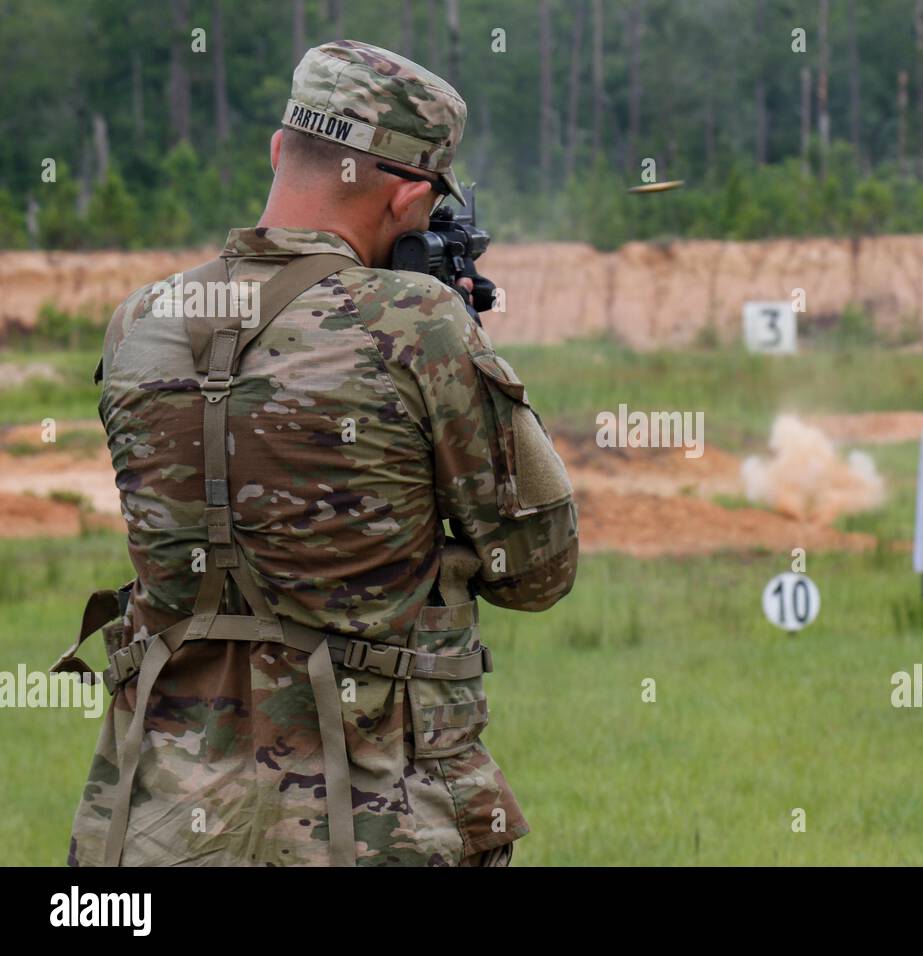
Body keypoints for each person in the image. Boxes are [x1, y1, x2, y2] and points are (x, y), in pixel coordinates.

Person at [57, 40, 579, 867]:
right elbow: (539, 570)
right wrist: (464, 340)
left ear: (278, 151)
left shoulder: (141, 320)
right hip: (371, 823)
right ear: (410, 193)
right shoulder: (417, 324)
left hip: (155, 824)